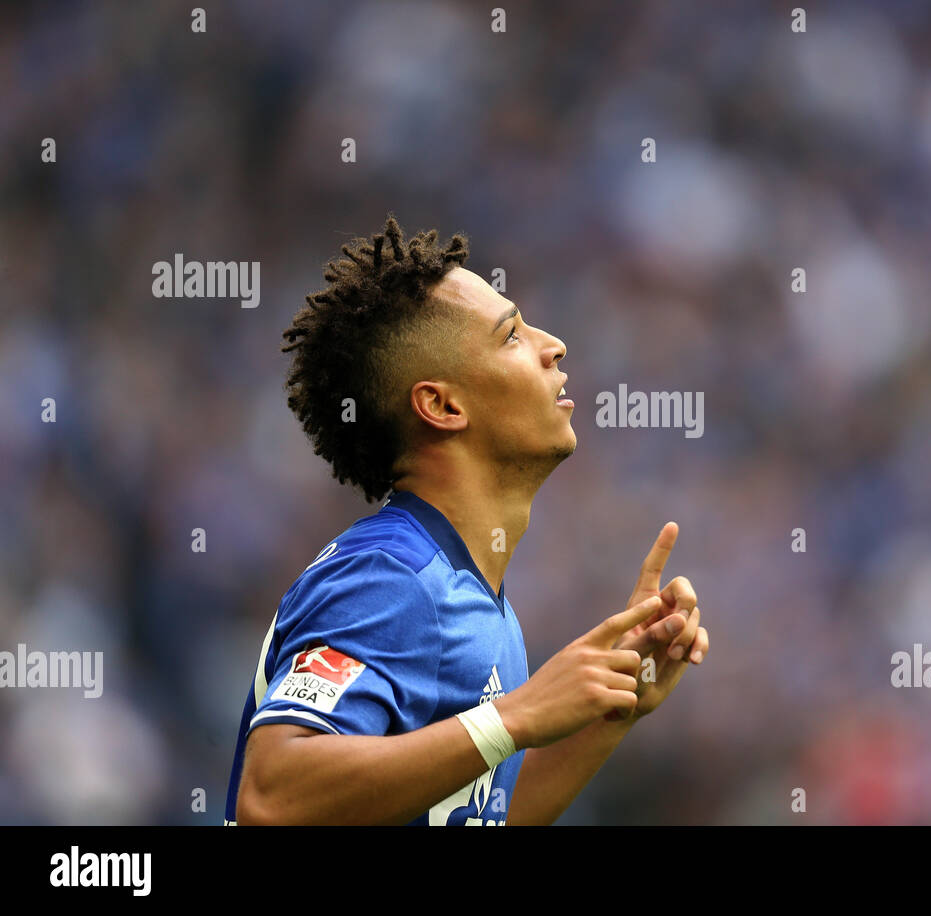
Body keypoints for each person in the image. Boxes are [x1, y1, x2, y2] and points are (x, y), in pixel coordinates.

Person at [222, 216, 709, 825]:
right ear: (442, 405)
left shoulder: (480, 603)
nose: (552, 344)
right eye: (511, 336)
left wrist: (614, 707)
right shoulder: (391, 576)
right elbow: (273, 798)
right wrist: (516, 716)